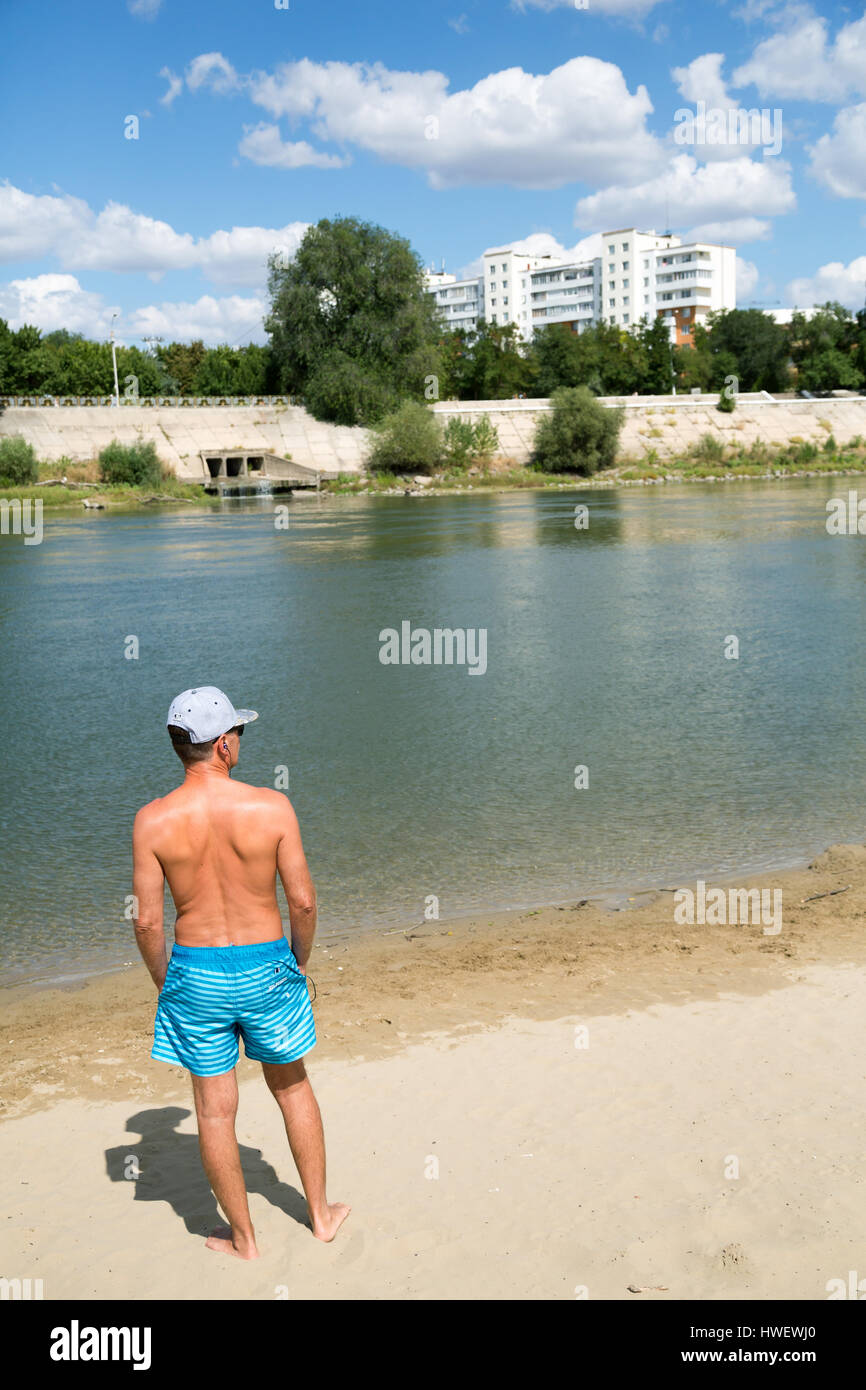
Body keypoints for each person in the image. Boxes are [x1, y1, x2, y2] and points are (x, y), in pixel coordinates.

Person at [132, 685, 350, 1258]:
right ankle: (321, 1217)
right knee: (292, 1087)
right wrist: (296, 960)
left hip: (194, 973)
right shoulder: (270, 807)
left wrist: (168, 983)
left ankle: (245, 1240)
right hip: (267, 965)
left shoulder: (151, 821)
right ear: (224, 744)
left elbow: (148, 925)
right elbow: (302, 903)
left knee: (213, 1109)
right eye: (240, 734)